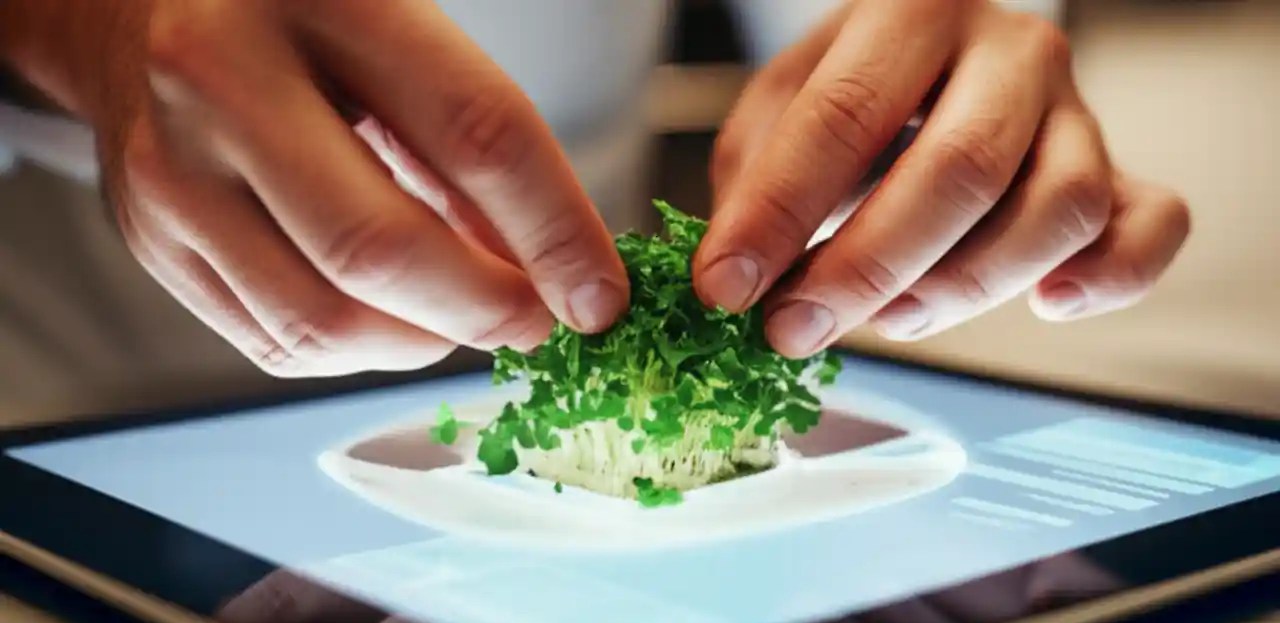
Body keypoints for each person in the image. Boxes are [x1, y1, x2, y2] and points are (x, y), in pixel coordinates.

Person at [0, 0, 1189, 425]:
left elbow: (875, 34)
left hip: (575, 456)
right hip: (84, 369)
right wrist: (80, 30)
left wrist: (933, 97)